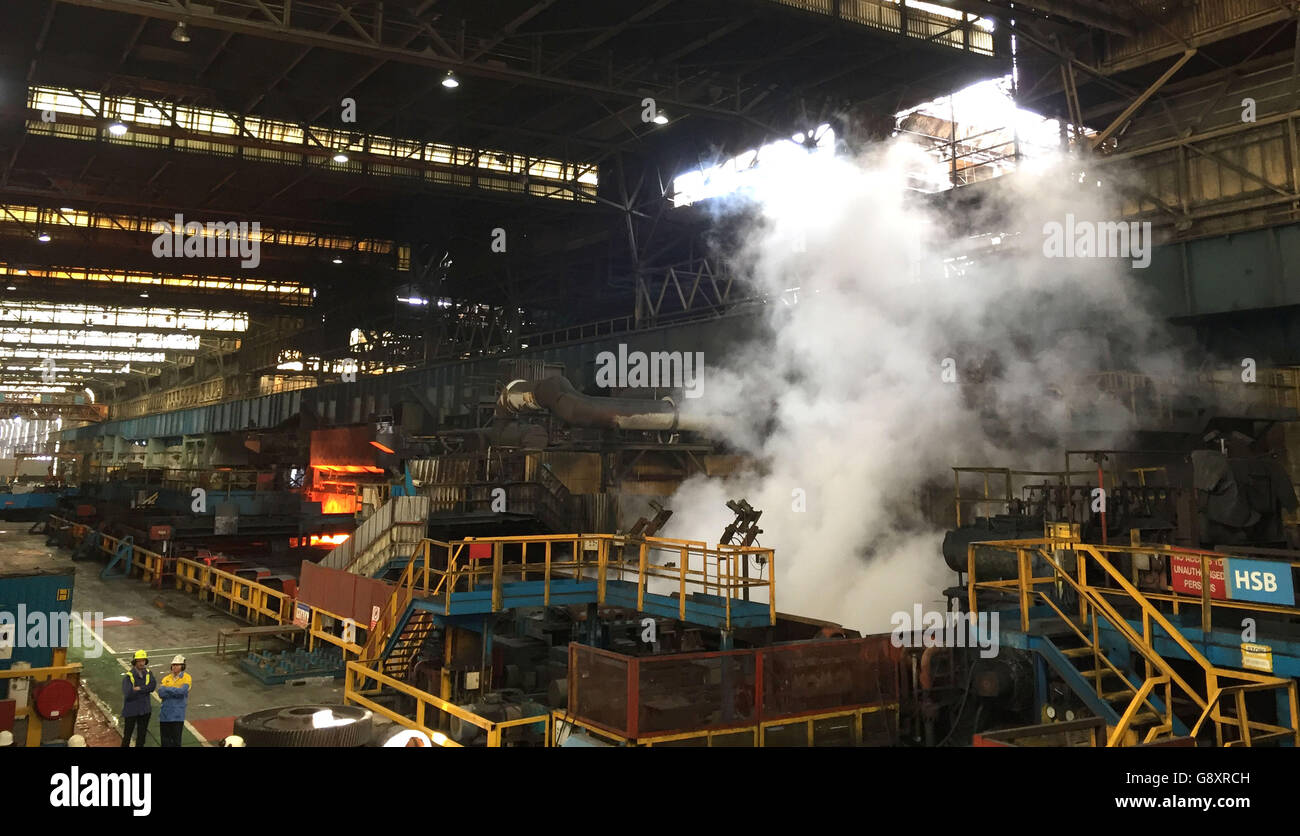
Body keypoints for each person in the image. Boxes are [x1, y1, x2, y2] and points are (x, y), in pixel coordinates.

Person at [121, 650, 155, 747]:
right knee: (127, 735)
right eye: (139, 661)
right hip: (131, 710)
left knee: (142, 735)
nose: (141, 663)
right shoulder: (129, 676)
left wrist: (139, 688)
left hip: (145, 710)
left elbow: (152, 687)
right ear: (135, 662)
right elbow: (128, 693)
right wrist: (145, 690)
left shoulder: (149, 673)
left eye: (143, 661)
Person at [157, 654, 191, 748]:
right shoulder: (166, 678)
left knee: (176, 742)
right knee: (165, 742)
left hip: (177, 716)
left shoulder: (187, 677)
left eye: (177, 665)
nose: (174, 666)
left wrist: (168, 689)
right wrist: (175, 690)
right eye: (173, 664)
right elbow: (161, 693)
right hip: (165, 715)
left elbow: (182, 691)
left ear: (182, 666)